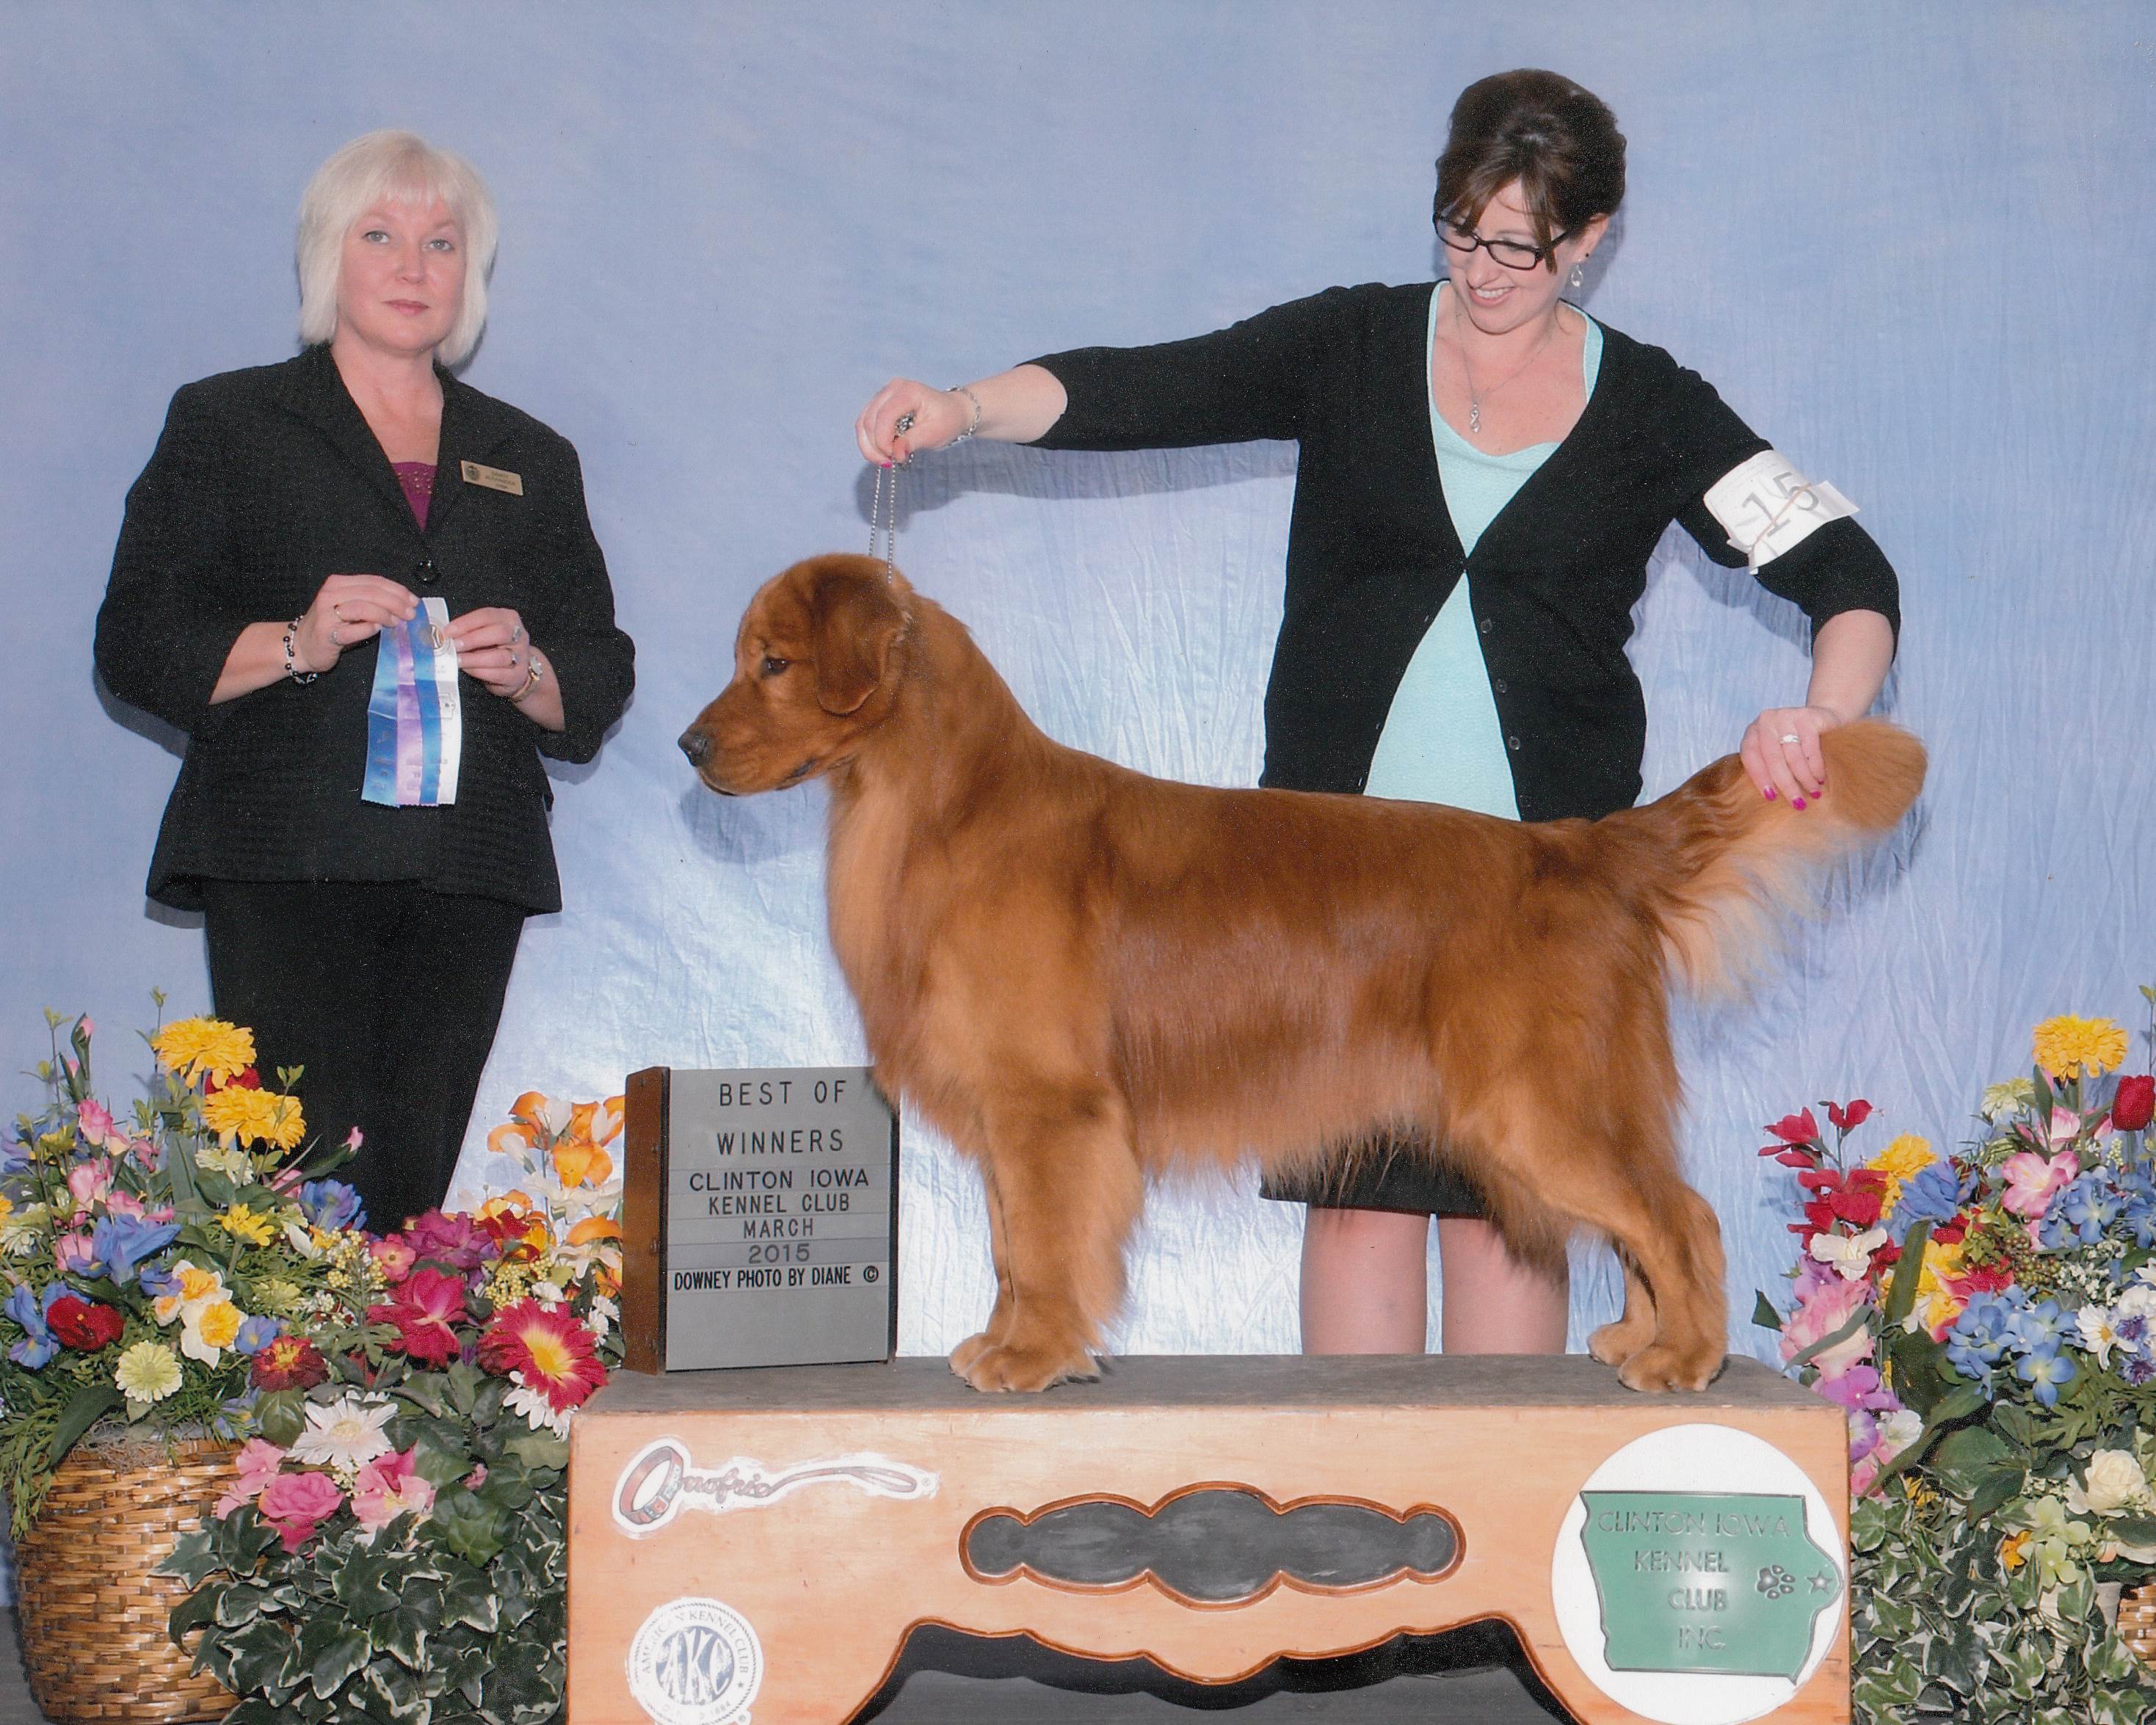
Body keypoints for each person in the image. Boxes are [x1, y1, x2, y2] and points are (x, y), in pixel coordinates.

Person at [854, 70, 1899, 1359]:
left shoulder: (1653, 409)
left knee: (1512, 1210)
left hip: (1526, 879)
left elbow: (1847, 573)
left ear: (1589, 242)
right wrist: (964, 408)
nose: (1483, 266)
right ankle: (1354, 1518)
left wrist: (1819, 717)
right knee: (1351, 1210)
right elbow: (1149, 388)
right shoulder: (1351, 345)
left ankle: (1502, 1521)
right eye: (1460, 228)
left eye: (1520, 242)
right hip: (1326, 879)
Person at [96, 130, 635, 1230]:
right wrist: (295, 637)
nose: (412, 265)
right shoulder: (228, 420)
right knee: (289, 1176)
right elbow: (138, 639)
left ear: (470, 276)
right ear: (324, 261)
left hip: (468, 859)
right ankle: (295, 1392)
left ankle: (386, 1395)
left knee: (413, 1173)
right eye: (381, 236)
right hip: (285, 851)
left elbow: (599, 663)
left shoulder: (533, 453)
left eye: (442, 243)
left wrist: (527, 666)